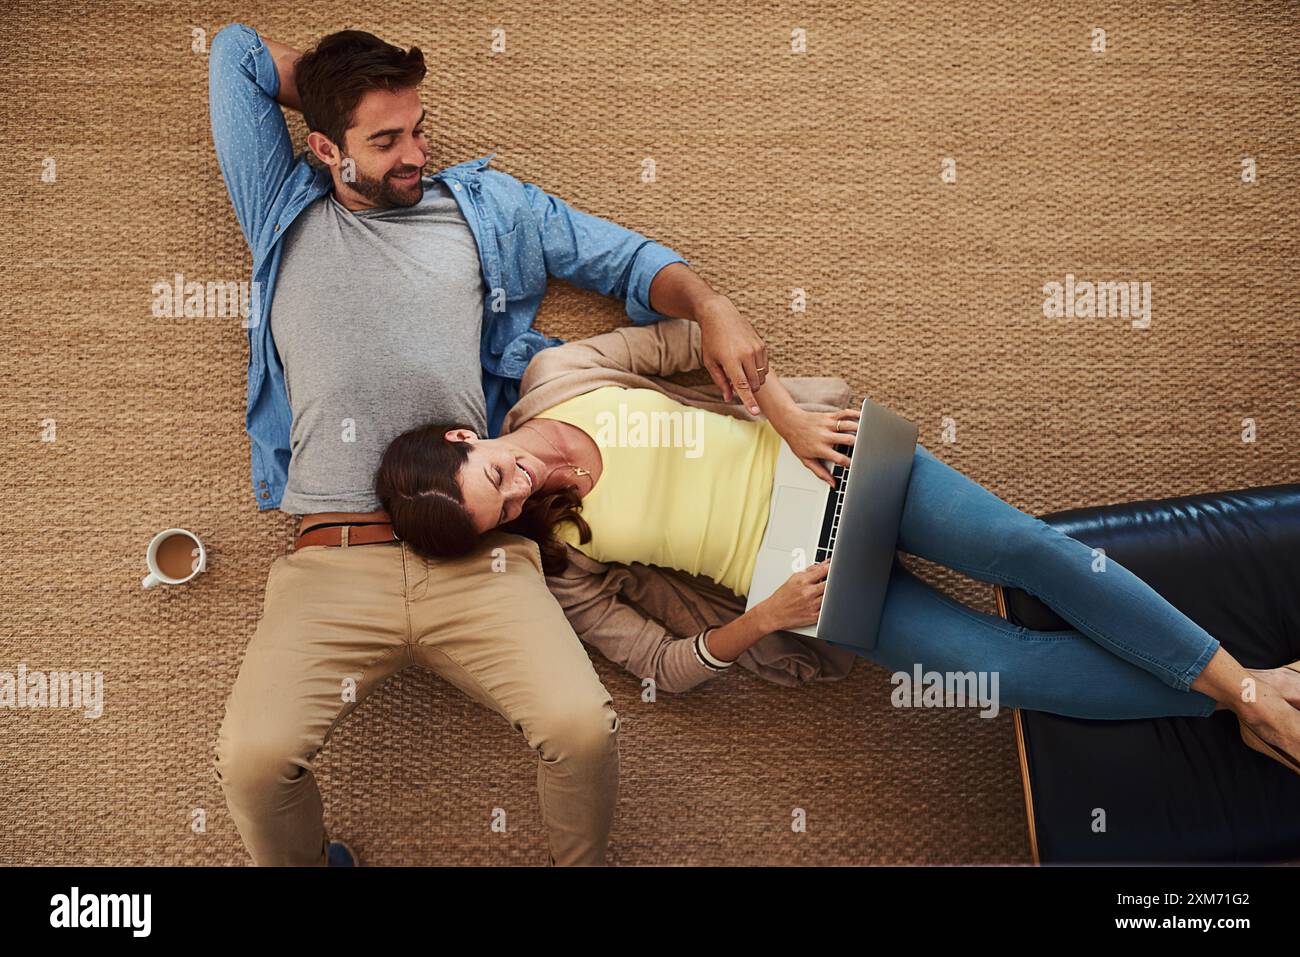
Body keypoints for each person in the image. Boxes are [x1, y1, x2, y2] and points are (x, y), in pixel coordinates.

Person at [207, 23, 769, 866]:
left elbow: (624, 262)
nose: (414, 154)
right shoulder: (283, 208)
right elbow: (235, 54)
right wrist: (327, 88)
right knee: (250, 764)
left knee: (583, 731)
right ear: (325, 146)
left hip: (481, 551)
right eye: (385, 138)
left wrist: (713, 305)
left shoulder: (488, 209)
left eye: (419, 128)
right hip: (334, 560)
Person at [376, 318, 1300, 778]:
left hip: (830, 463)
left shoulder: (559, 374)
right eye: (503, 516)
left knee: (1028, 548)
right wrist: (764, 620)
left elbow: (703, 339)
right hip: (802, 585)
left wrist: (787, 415)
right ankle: (1255, 694)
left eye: (496, 477)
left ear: (468, 437)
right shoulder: (562, 563)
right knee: (998, 670)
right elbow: (660, 663)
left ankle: (1253, 694)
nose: (522, 491)